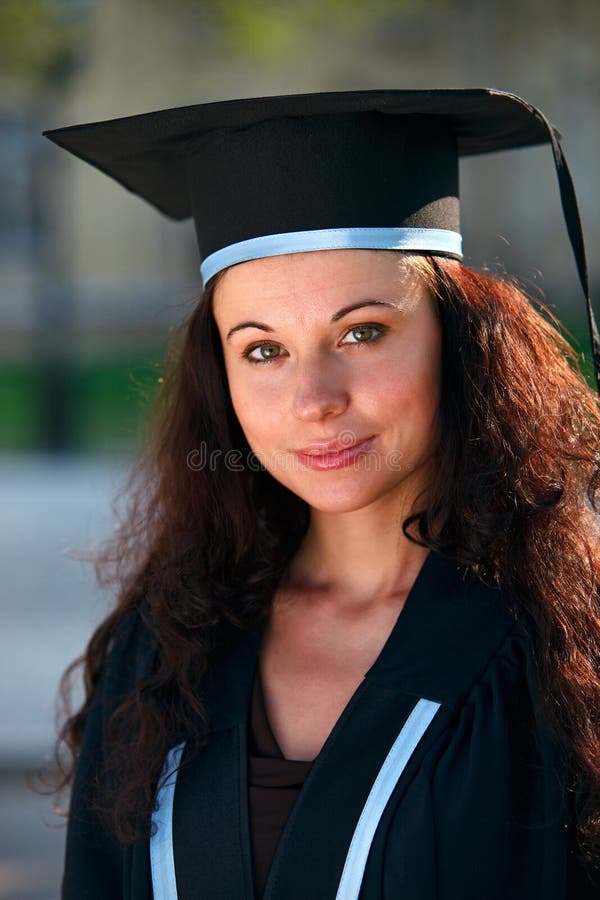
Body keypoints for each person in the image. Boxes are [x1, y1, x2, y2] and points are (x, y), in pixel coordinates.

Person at [43, 89, 600, 899]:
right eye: (262, 350)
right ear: (219, 377)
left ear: (461, 342)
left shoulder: (564, 641)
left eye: (362, 332)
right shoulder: (168, 646)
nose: (315, 400)